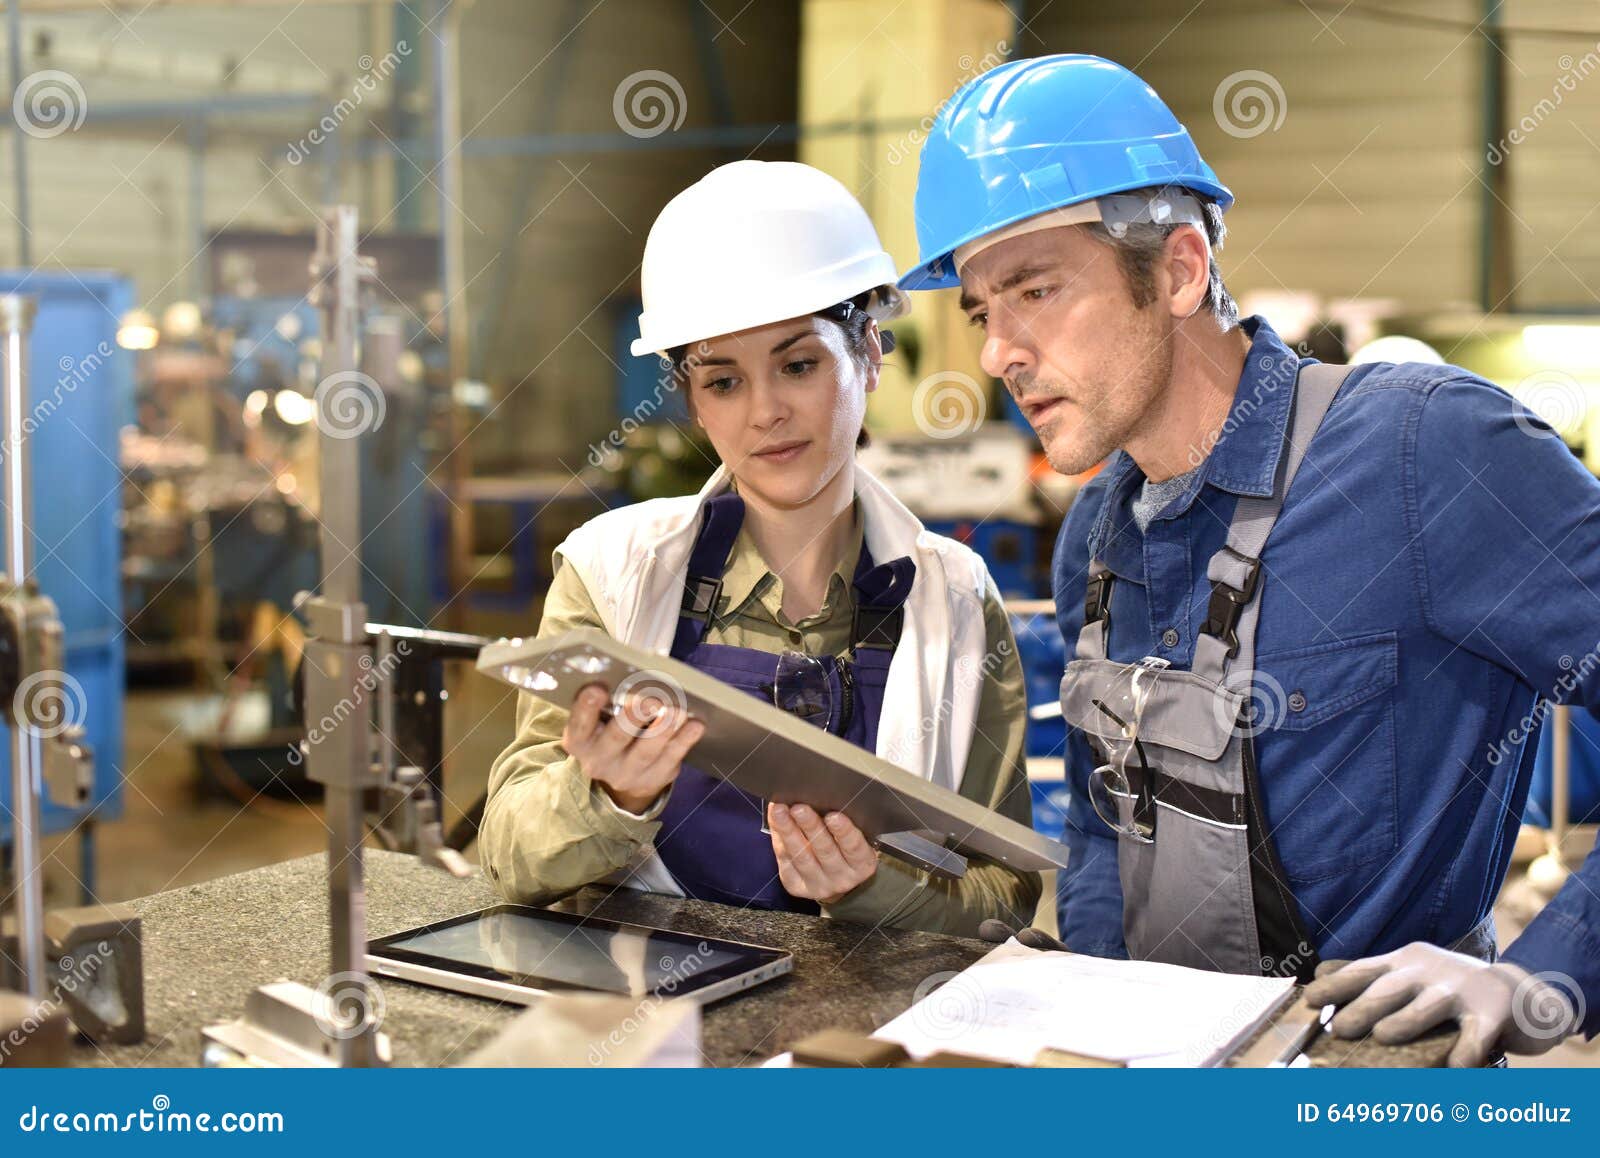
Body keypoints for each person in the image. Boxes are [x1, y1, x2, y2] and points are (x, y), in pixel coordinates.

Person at [900, 53, 1595, 1064]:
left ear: (1179, 269)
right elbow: (1106, 832)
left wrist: (1542, 974)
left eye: (1035, 292)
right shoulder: (1096, 539)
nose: (996, 352)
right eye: (979, 311)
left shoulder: (1424, 455)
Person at [480, 160, 1040, 937]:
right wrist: (607, 798)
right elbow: (508, 854)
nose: (766, 412)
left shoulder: (956, 600)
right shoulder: (610, 575)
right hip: (655, 1034)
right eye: (723, 382)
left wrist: (875, 888)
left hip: (860, 1048)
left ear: (870, 353)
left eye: (799, 364)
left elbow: (1004, 899)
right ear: (693, 402)